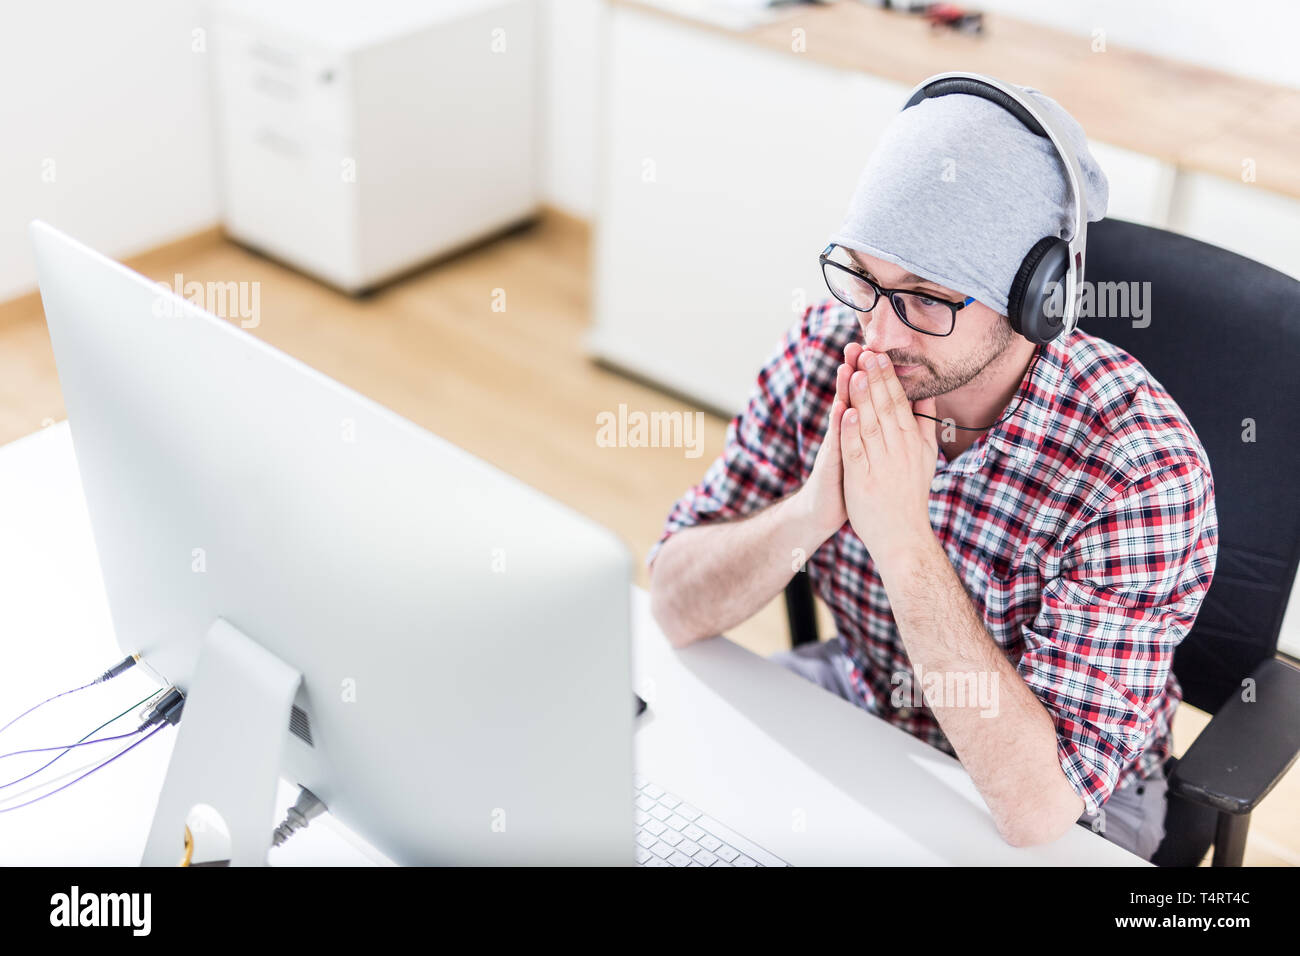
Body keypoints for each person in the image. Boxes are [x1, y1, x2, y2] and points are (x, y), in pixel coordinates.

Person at [646, 77, 1218, 861]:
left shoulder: (1140, 470)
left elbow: (1037, 806)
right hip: (863, 707)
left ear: (1036, 301)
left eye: (923, 298)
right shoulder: (826, 346)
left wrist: (903, 541)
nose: (877, 333)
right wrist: (813, 510)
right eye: (865, 279)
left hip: (1077, 809)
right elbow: (674, 607)